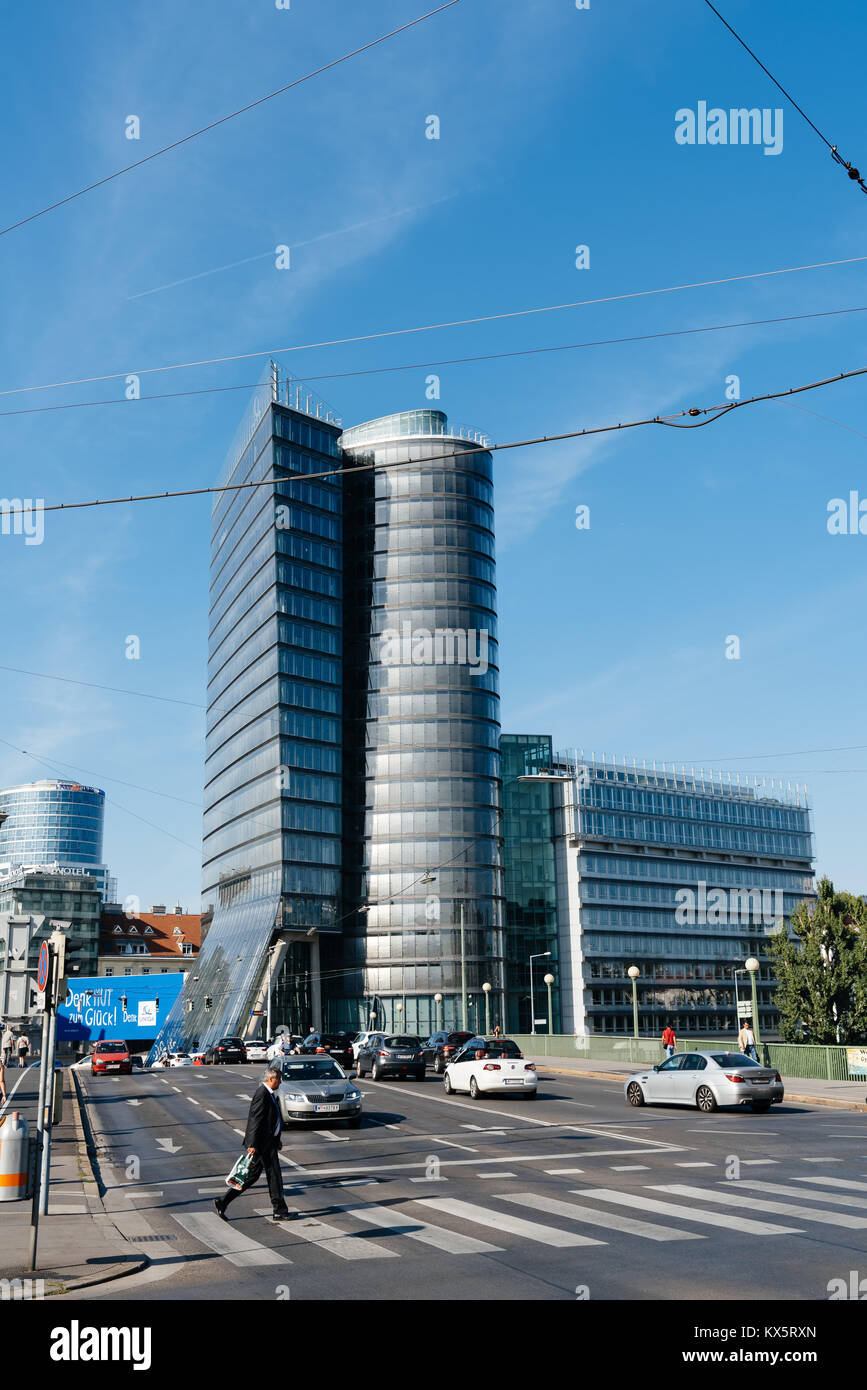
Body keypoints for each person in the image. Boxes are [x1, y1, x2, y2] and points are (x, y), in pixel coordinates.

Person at [214, 1064, 292, 1223]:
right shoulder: (262, 1093)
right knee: (272, 1175)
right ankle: (279, 1210)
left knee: (254, 1177)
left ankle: (223, 1201)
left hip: (267, 1143)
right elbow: (254, 1120)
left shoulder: (268, 1093)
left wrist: (277, 1140)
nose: (280, 1083)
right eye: (279, 1080)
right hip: (261, 1144)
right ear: (271, 1079)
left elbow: (270, 1120)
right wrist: (251, 1143)